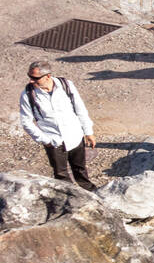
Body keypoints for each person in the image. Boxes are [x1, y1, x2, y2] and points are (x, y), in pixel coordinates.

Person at [19, 60, 97, 189]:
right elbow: (26, 121)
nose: (31, 81)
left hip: (75, 136)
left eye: (35, 78)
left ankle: (90, 193)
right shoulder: (28, 94)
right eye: (30, 76)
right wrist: (46, 140)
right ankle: (69, 198)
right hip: (54, 141)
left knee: (80, 169)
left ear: (48, 76)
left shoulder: (66, 85)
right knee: (61, 175)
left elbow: (79, 108)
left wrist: (88, 132)